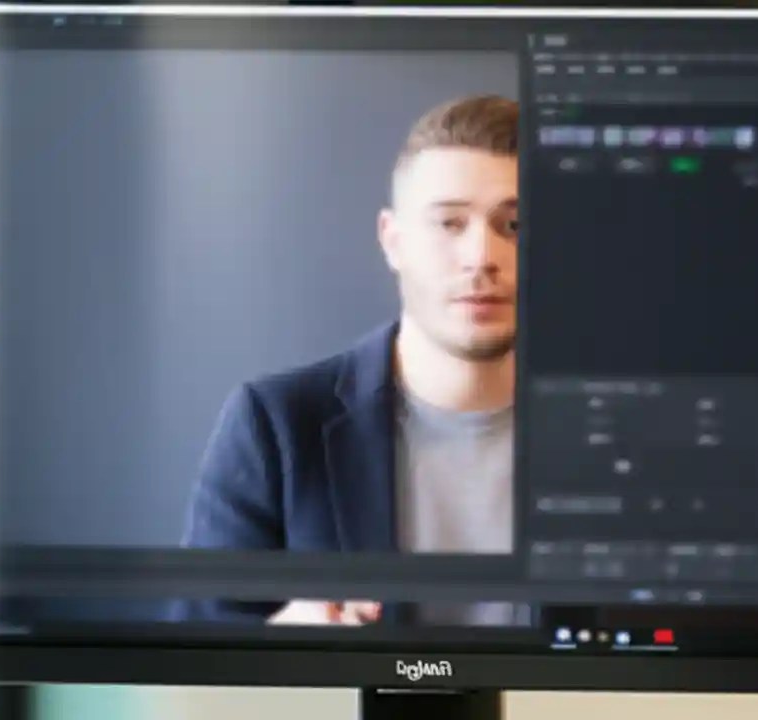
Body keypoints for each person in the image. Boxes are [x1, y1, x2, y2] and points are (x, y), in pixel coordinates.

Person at [177, 95, 520, 626]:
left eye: (515, 227)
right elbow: (192, 653)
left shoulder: (620, 435)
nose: (482, 258)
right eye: (450, 223)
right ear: (393, 240)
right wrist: (283, 649)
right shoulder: (276, 424)